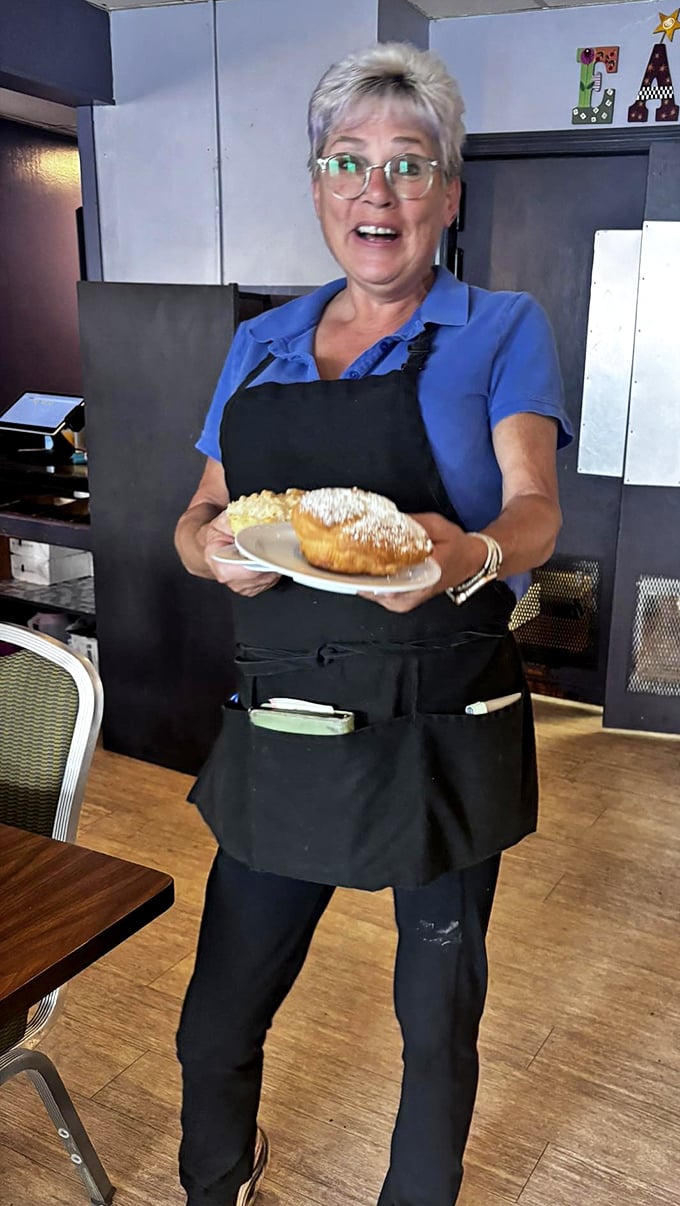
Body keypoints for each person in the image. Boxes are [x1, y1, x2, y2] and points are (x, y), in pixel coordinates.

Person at [174, 41, 573, 1206]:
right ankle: (213, 1183)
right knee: (214, 1016)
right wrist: (206, 553)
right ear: (316, 185)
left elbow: (536, 511)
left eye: (409, 165)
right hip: (285, 719)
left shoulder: (500, 326)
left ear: (447, 193)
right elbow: (202, 514)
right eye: (347, 162)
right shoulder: (260, 341)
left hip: (437, 724)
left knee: (432, 1026)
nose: (375, 190)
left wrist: (469, 554)